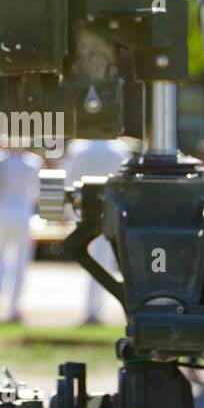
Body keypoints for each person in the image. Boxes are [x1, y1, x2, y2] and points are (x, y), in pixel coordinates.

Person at [64, 138, 134, 325]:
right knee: (103, 261)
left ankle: (92, 308)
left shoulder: (79, 148)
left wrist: (70, 214)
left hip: (85, 212)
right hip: (111, 214)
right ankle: (94, 308)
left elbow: (70, 180)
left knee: (96, 261)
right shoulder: (120, 149)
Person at [0, 145, 43, 323]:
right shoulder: (33, 162)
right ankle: (14, 307)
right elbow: (37, 192)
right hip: (23, 215)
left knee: (1, 255)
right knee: (20, 262)